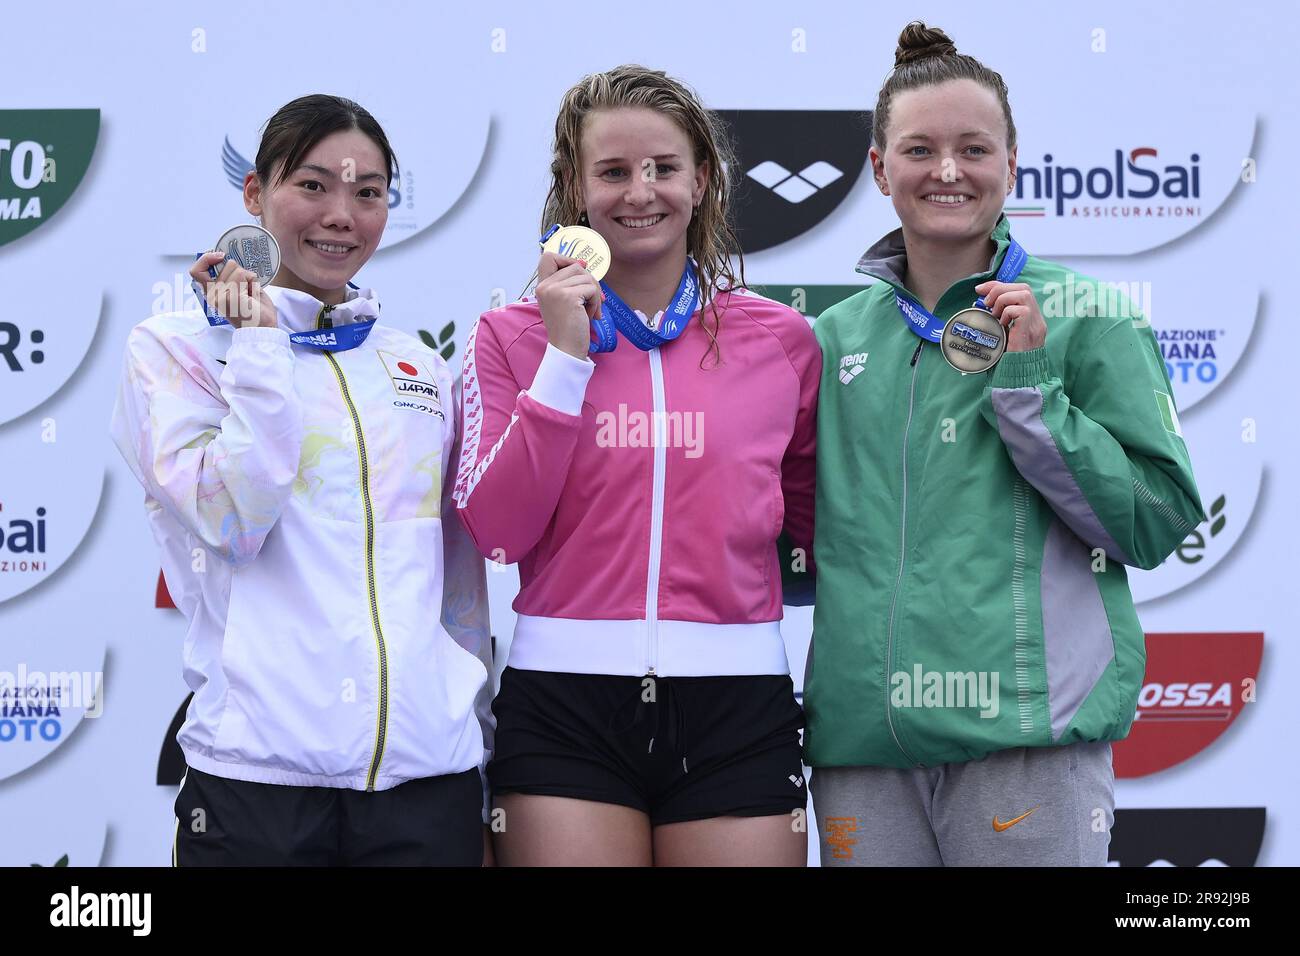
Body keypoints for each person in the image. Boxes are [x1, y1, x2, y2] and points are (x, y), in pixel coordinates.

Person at [804, 23, 1204, 866]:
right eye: (920, 148)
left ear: (1013, 164)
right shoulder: (832, 337)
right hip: (862, 745)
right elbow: (787, 537)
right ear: (879, 169)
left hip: (1027, 739)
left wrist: (1030, 397)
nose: (948, 171)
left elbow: (1158, 521)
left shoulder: (1089, 315)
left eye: (973, 148)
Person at [111, 94, 494, 866]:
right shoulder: (177, 350)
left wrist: (469, 734)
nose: (342, 215)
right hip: (256, 783)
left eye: (369, 192)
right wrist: (258, 345)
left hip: (429, 781)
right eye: (313, 186)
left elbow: (456, 575)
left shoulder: (413, 360)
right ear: (254, 194)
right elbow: (233, 519)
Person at [454, 65, 819, 866]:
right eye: (613, 171)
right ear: (575, 189)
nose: (640, 191)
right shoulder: (510, 336)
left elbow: (821, 531)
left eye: (663, 167)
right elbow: (499, 535)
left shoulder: (783, 340)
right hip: (565, 705)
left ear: (703, 180)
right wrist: (564, 360)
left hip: (738, 703)